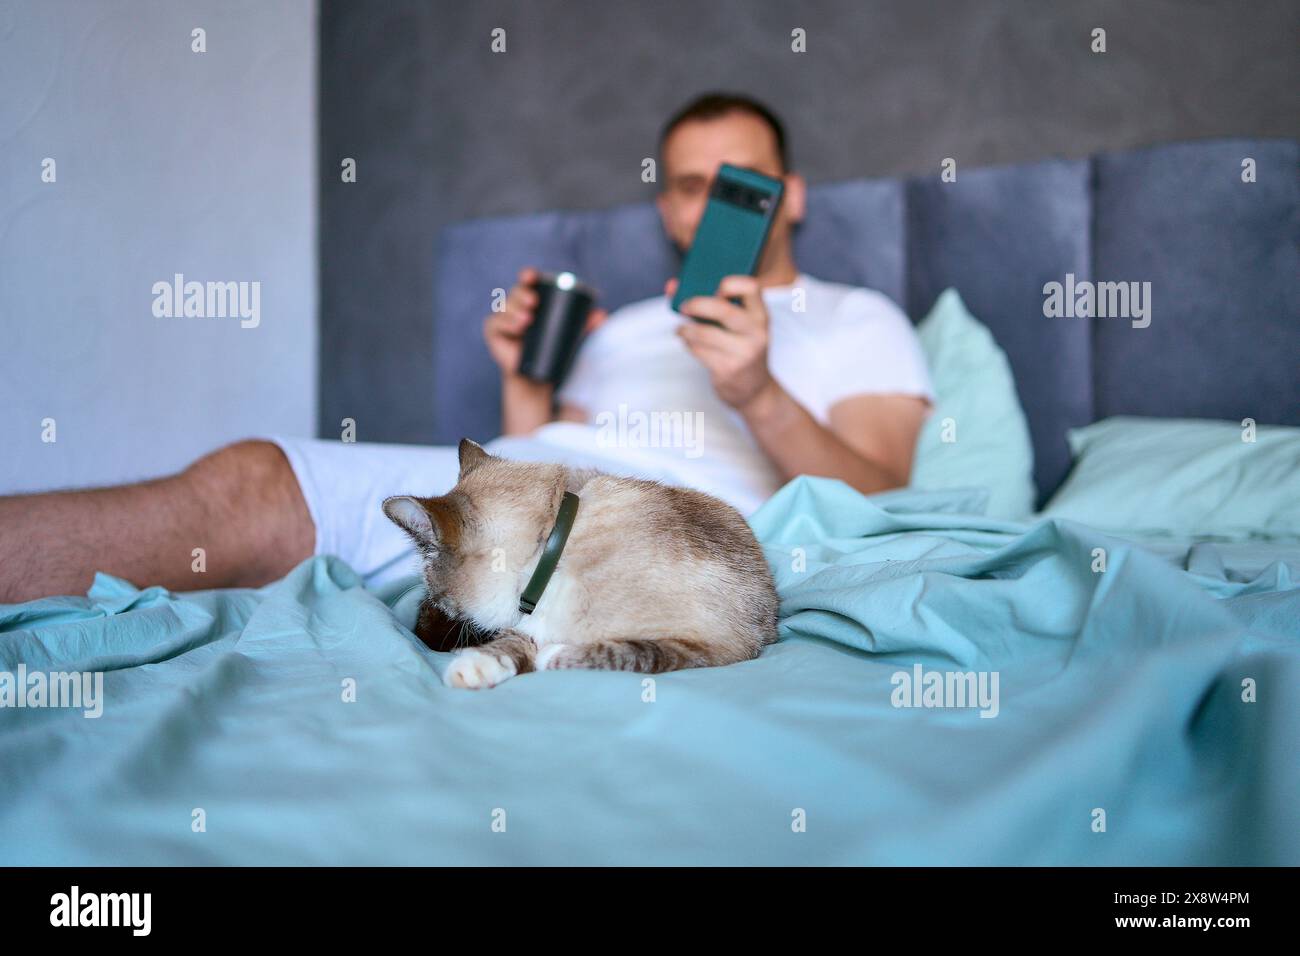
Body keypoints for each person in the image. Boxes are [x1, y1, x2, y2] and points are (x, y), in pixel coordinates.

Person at [0, 92, 931, 603]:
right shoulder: (639, 326)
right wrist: (522, 379)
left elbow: (887, 496)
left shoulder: (857, 318)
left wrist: (759, 393)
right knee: (253, 480)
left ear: (792, 196)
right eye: (691, 186)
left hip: (668, 530)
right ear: (667, 207)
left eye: (743, 184)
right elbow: (528, 455)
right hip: (533, 499)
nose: (711, 205)